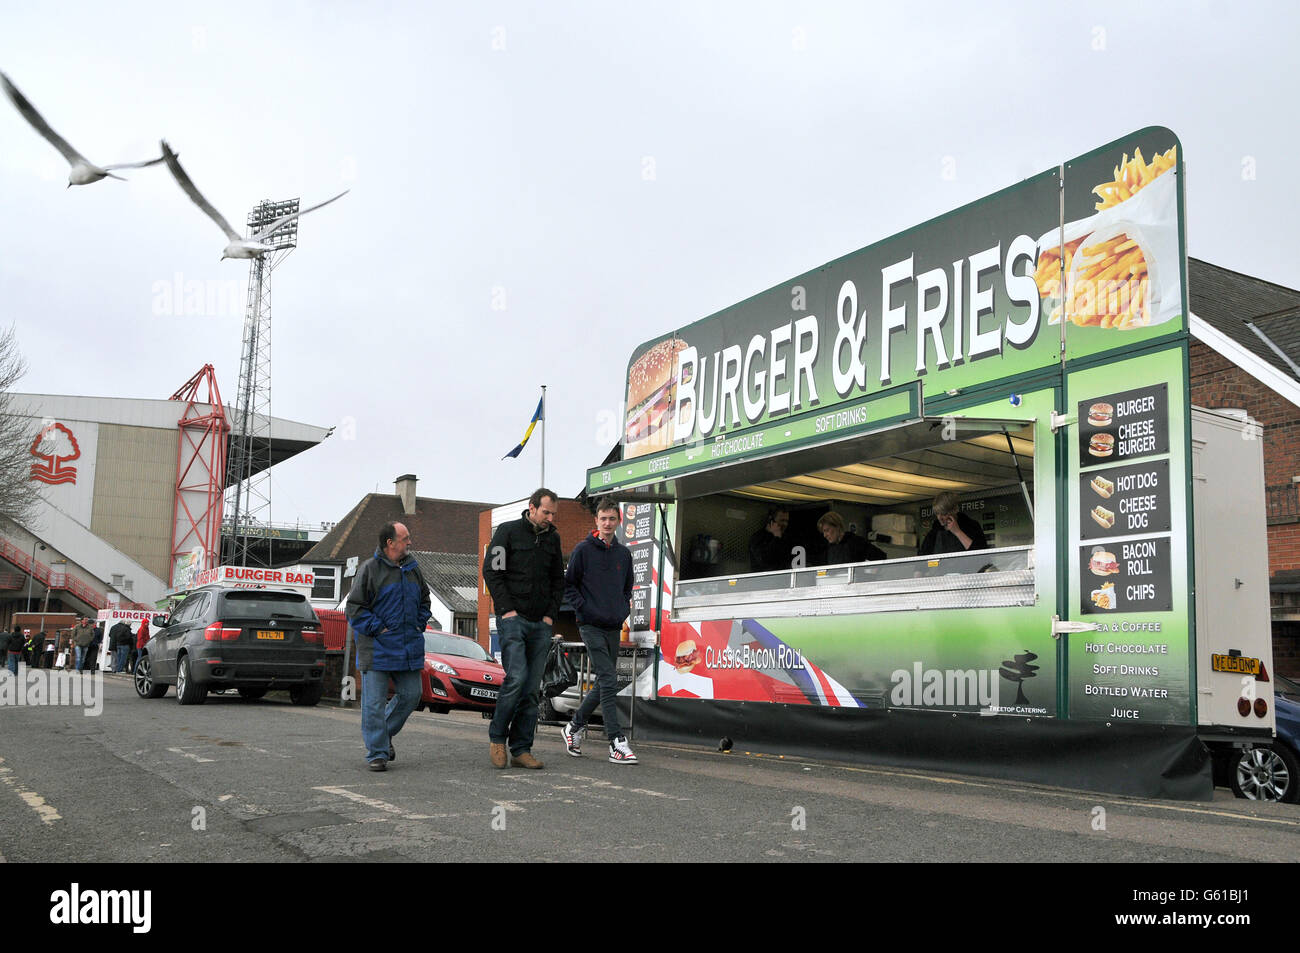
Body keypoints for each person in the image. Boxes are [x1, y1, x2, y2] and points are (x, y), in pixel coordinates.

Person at [482, 487, 564, 770]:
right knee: (516, 678)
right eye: (546, 512)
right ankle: (497, 737)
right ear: (532, 508)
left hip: (540, 624)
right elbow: (492, 571)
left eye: (553, 513)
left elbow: (558, 581)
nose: (549, 518)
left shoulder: (553, 539)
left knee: (531, 689)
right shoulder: (508, 532)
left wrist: (550, 616)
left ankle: (521, 748)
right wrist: (507, 610)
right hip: (513, 621)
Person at [345, 522, 431, 772]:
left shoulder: (414, 570)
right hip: (377, 648)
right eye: (405, 538)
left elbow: (424, 601)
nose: (410, 542)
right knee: (373, 704)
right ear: (390, 543)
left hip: (408, 647)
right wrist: (378, 628)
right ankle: (377, 753)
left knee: (412, 695)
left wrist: (418, 623)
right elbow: (355, 608)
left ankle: (382, 736)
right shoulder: (369, 570)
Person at [561, 497, 637, 765]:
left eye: (612, 519)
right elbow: (569, 585)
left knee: (605, 680)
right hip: (590, 625)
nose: (607, 523)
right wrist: (585, 610)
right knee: (609, 677)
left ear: (618, 521)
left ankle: (574, 726)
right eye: (603, 518)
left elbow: (628, 587)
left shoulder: (623, 554)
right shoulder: (583, 550)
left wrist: (621, 611)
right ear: (596, 521)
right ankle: (616, 741)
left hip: (613, 625)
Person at [919, 492, 988, 556]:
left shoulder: (971, 526)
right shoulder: (934, 531)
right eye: (937, 514)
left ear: (955, 510)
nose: (940, 518)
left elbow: (980, 554)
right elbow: (921, 557)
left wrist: (957, 532)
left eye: (944, 514)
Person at [818, 511, 886, 565]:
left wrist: (867, 574)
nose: (825, 535)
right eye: (823, 532)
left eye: (827, 530)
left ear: (837, 527)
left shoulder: (856, 542)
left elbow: (880, 556)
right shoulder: (829, 549)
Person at [748, 506, 791, 573]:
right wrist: (776, 538)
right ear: (771, 520)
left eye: (786, 521)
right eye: (782, 520)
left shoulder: (785, 538)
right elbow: (764, 560)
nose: (785, 524)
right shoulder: (758, 537)